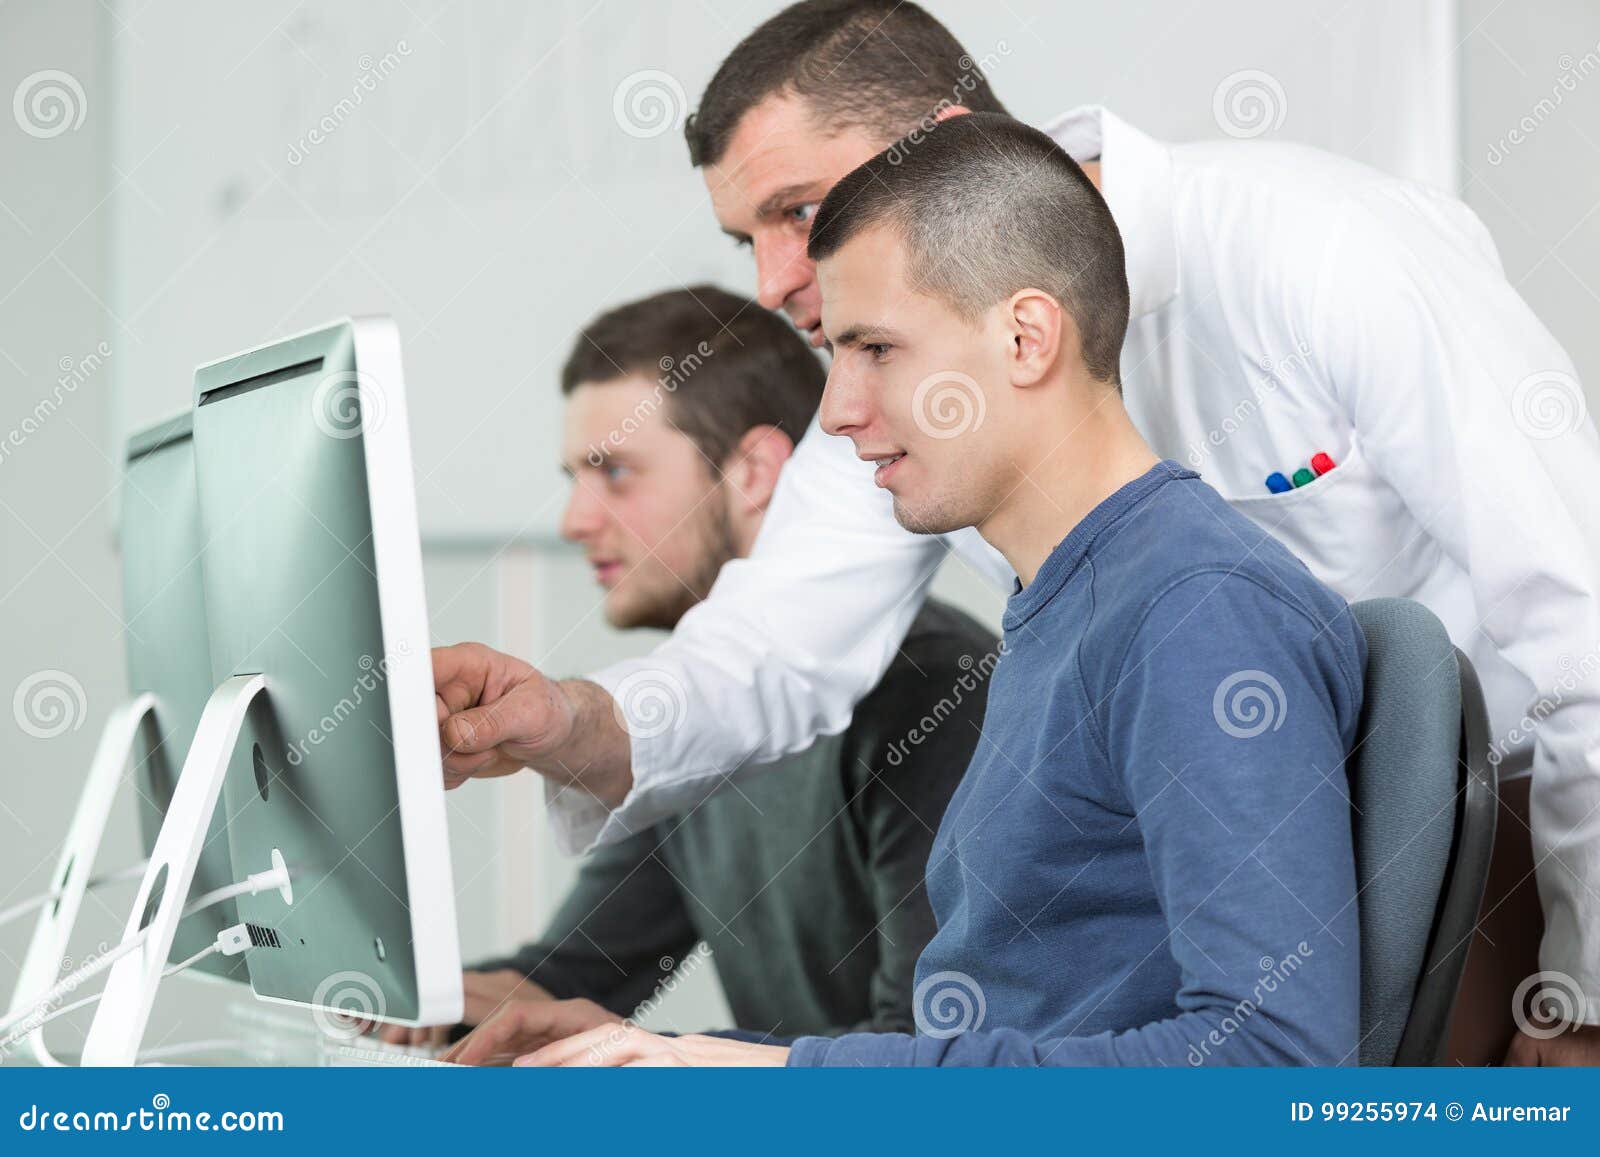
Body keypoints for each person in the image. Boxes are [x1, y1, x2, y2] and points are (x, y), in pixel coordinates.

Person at [432, 1, 1600, 1061]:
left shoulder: (1323, 254)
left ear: (947, 145)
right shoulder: (924, 418)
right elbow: (765, 651)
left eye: (800, 212)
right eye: (750, 238)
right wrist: (566, 720)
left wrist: (1582, 992)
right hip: (1166, 945)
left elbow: (1578, 616)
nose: (778, 281)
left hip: (1482, 848)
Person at [417, 285, 994, 1049]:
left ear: (754, 470)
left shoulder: (940, 692)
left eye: (615, 471)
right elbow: (568, 979)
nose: (573, 520)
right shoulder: (680, 721)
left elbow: (931, 1057)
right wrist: (397, 995)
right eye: (573, 480)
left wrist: (662, 1058)